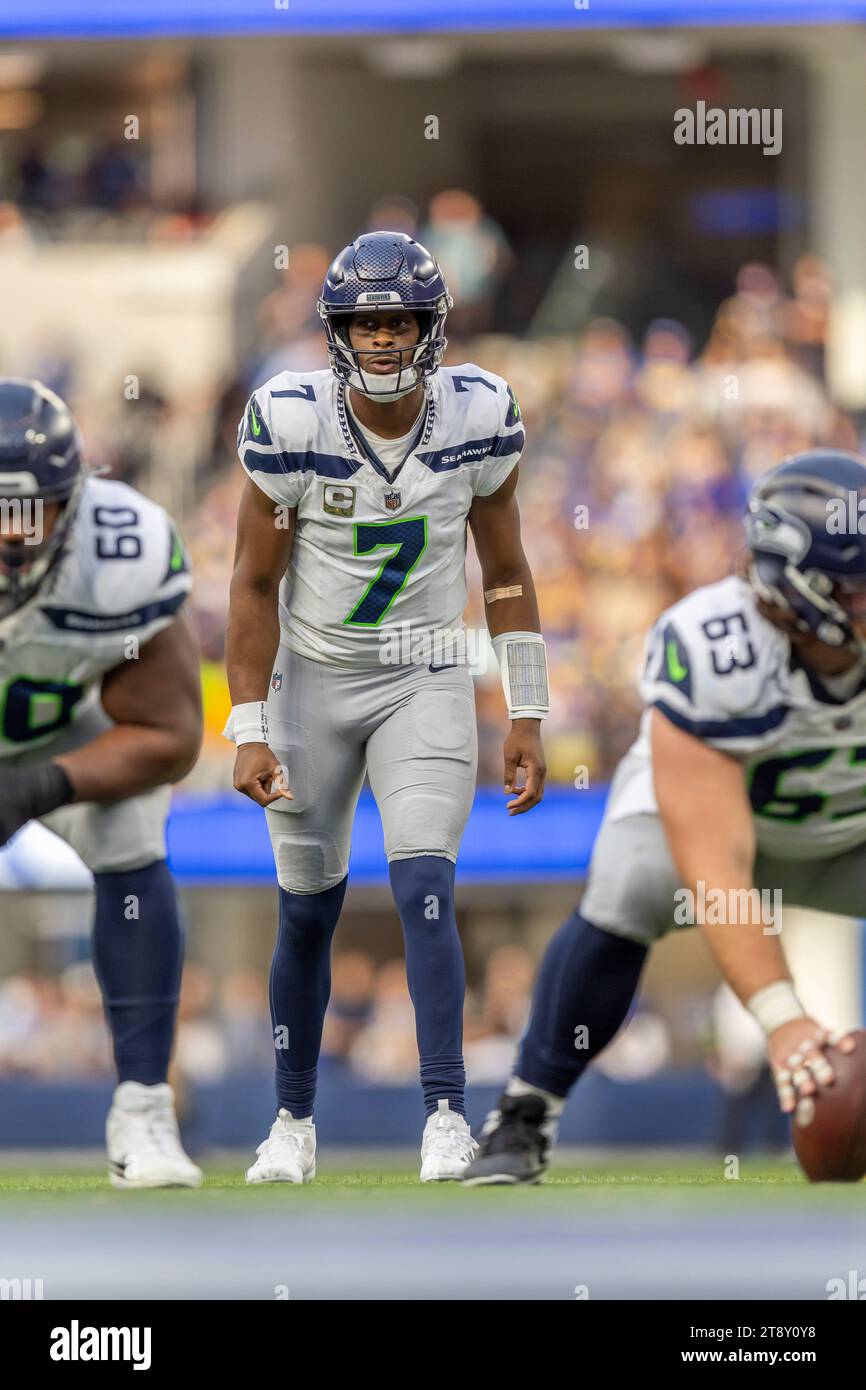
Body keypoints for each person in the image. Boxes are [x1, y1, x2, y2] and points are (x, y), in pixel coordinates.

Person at [225, 230, 547, 1182]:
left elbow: (509, 569)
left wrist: (525, 709)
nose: (378, 339)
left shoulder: (477, 412)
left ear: (430, 326)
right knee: (306, 910)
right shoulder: (290, 418)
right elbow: (251, 585)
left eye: (396, 320)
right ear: (336, 330)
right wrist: (246, 726)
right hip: (312, 675)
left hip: (429, 668)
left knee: (426, 888)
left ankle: (447, 1114)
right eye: (364, 322)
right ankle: (292, 1124)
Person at [464, 449, 864, 1184]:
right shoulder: (712, 646)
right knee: (636, 881)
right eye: (858, 586)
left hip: (851, 836)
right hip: (720, 832)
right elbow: (713, 869)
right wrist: (785, 1023)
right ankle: (527, 1109)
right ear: (803, 591)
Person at [0, 379, 202, 1188]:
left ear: (72, 502)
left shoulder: (123, 552)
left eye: (23, 512)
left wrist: (35, 788)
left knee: (130, 832)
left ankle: (144, 1109)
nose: (6, 537)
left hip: (60, 733)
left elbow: (170, 735)